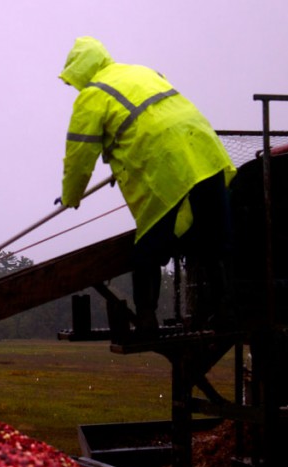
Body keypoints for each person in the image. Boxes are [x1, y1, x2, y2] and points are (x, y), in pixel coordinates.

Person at [56, 37, 236, 338]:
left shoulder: (92, 95)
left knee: (149, 247)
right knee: (215, 240)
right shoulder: (141, 72)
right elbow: (144, 120)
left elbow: (80, 153)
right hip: (205, 151)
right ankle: (227, 312)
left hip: (164, 164)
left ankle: (147, 319)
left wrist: (71, 196)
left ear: (79, 71)